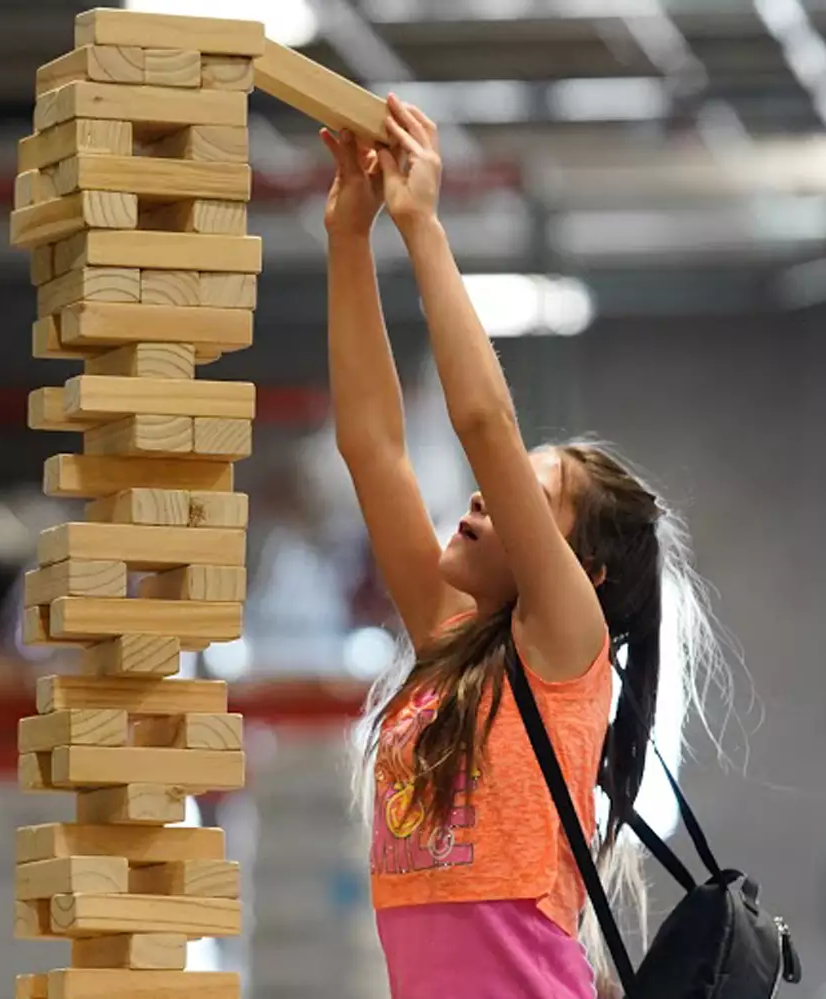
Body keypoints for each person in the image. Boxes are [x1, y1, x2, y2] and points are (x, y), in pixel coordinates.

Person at [324, 95, 726, 998]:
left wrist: (420, 224)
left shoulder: (563, 650)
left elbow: (482, 420)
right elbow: (373, 447)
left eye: (526, 498)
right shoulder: (448, 646)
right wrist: (348, 238)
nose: (480, 491)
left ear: (581, 572)